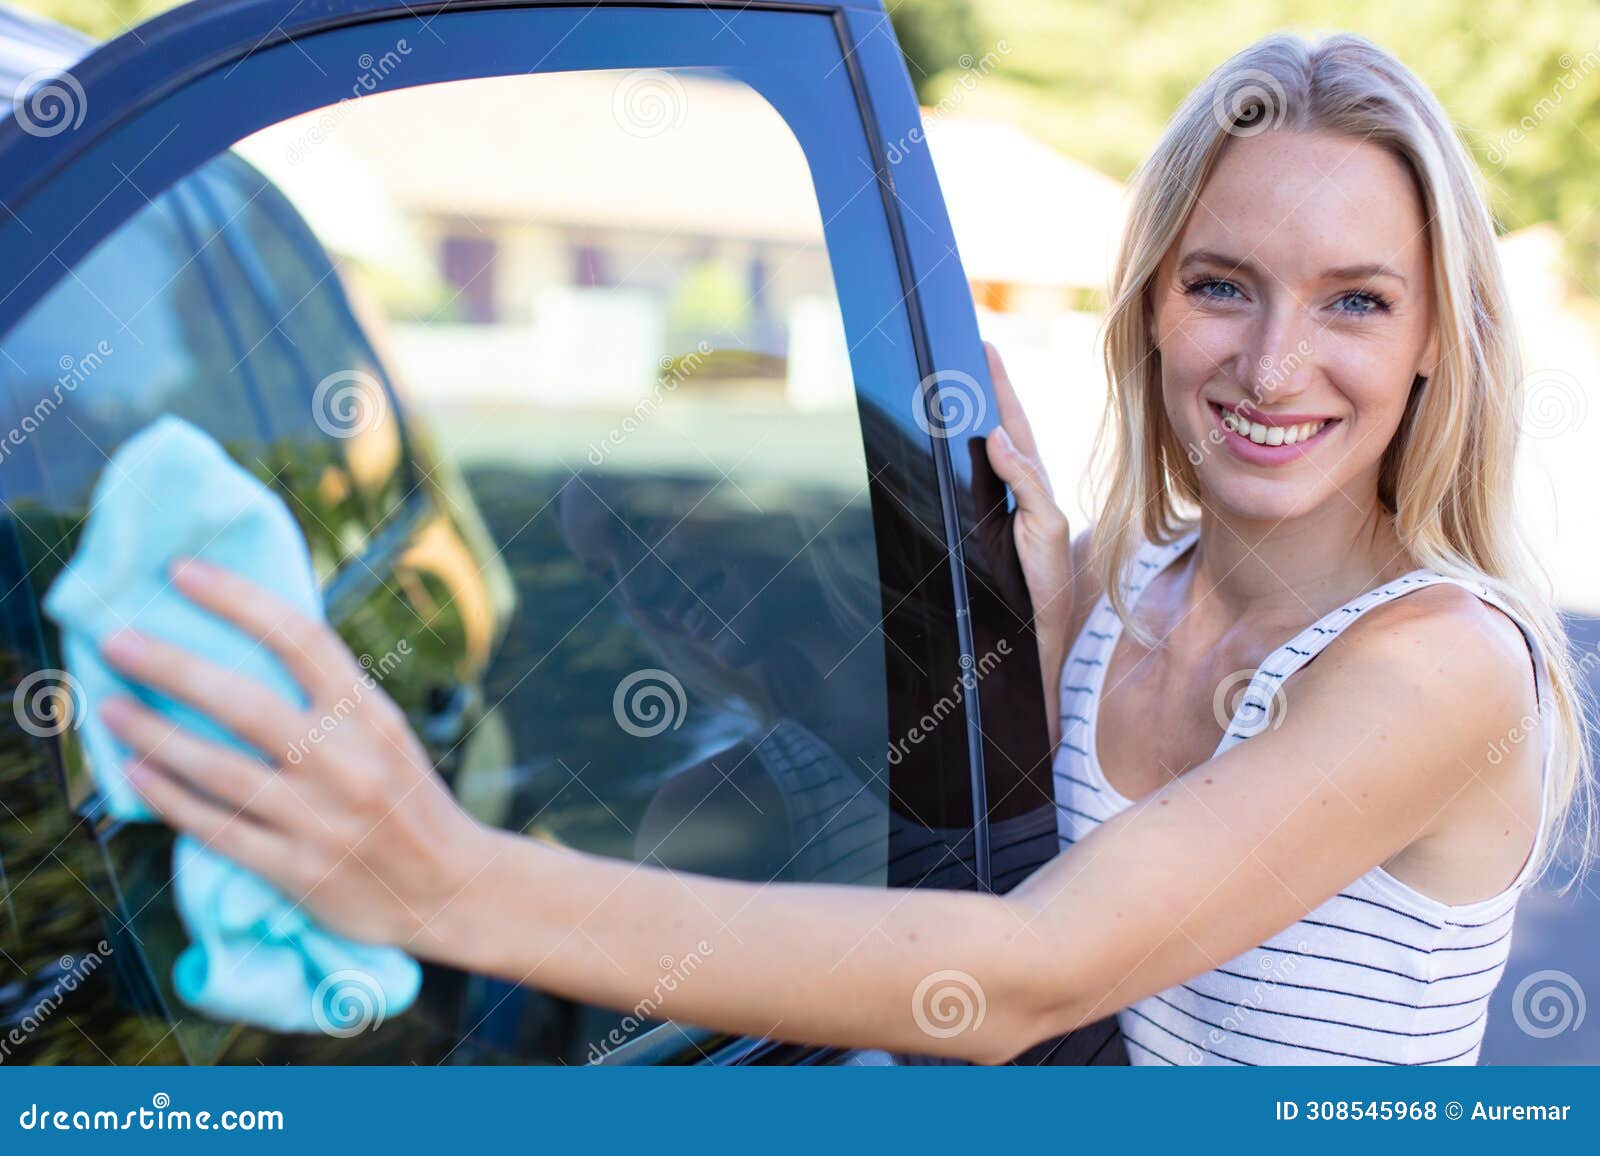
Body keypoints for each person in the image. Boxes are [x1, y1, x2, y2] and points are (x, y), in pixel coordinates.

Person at [97, 31, 1592, 1065]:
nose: (1272, 367)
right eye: (1222, 285)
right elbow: (997, 858)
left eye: (1354, 302)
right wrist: (1010, 633)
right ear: (1148, 303)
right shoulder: (1131, 581)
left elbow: (1032, 977)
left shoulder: (1439, 671)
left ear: (1433, 346)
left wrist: (443, 884)